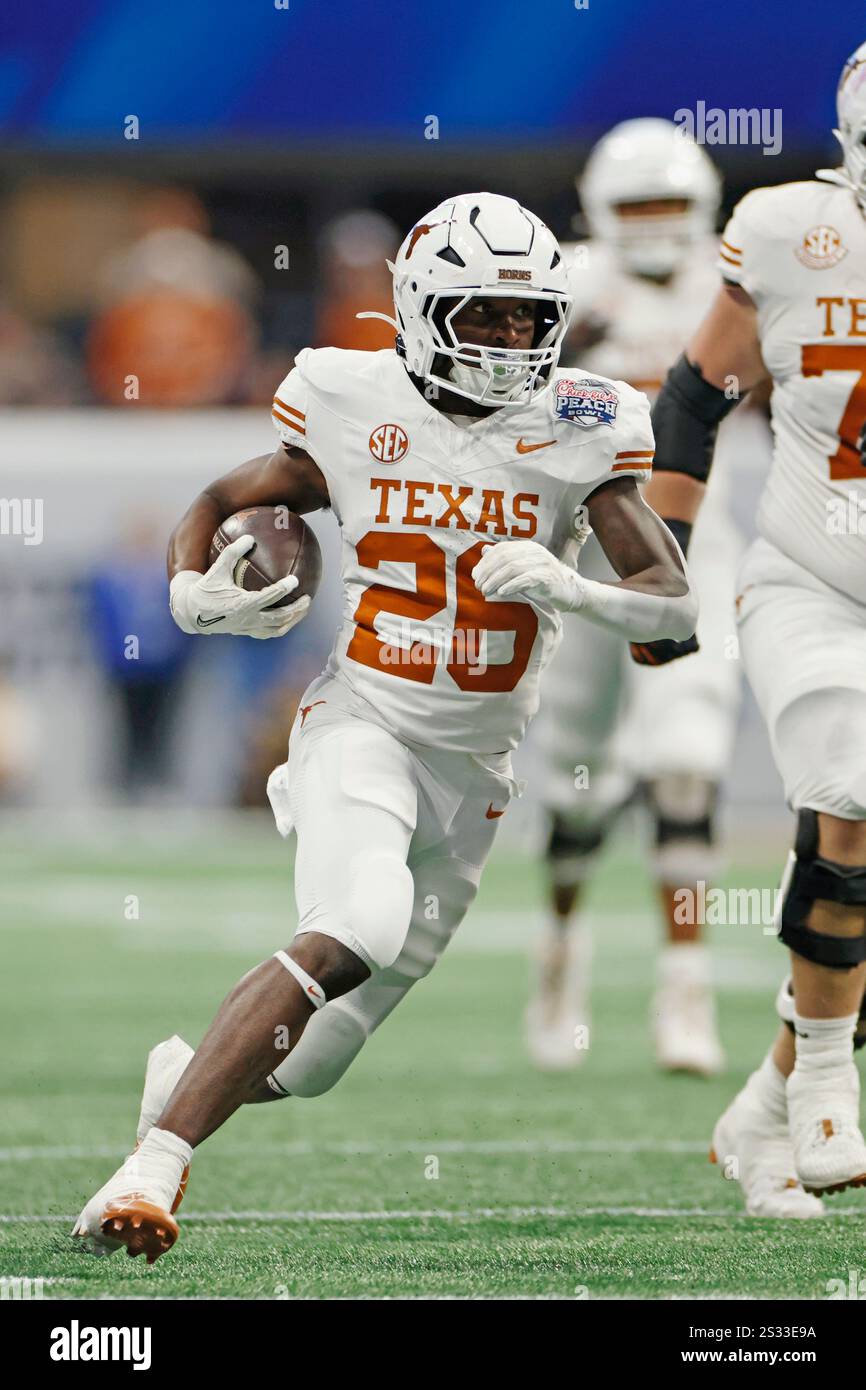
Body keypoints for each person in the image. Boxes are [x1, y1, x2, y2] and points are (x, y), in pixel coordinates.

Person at [72, 192, 696, 1263]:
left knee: (309, 1063)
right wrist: (187, 586)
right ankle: (152, 1167)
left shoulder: (584, 420)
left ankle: (183, 1076)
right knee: (359, 915)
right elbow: (229, 495)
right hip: (360, 717)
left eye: (524, 318)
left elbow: (672, 608)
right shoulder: (347, 395)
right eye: (481, 315)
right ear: (418, 310)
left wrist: (570, 586)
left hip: (476, 764)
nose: (508, 341)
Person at [644, 41, 866, 1217]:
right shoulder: (790, 232)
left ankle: (759, 1111)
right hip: (810, 576)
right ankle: (826, 1079)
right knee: (848, 793)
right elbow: (692, 395)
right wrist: (663, 567)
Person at [527, 120, 752, 1076]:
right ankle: (563, 951)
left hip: (704, 546)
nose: (656, 228)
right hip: (585, 554)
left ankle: (684, 988)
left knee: (687, 759)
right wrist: (556, 347)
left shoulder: (740, 280)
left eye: (669, 207)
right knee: (576, 778)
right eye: (639, 209)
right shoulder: (560, 283)